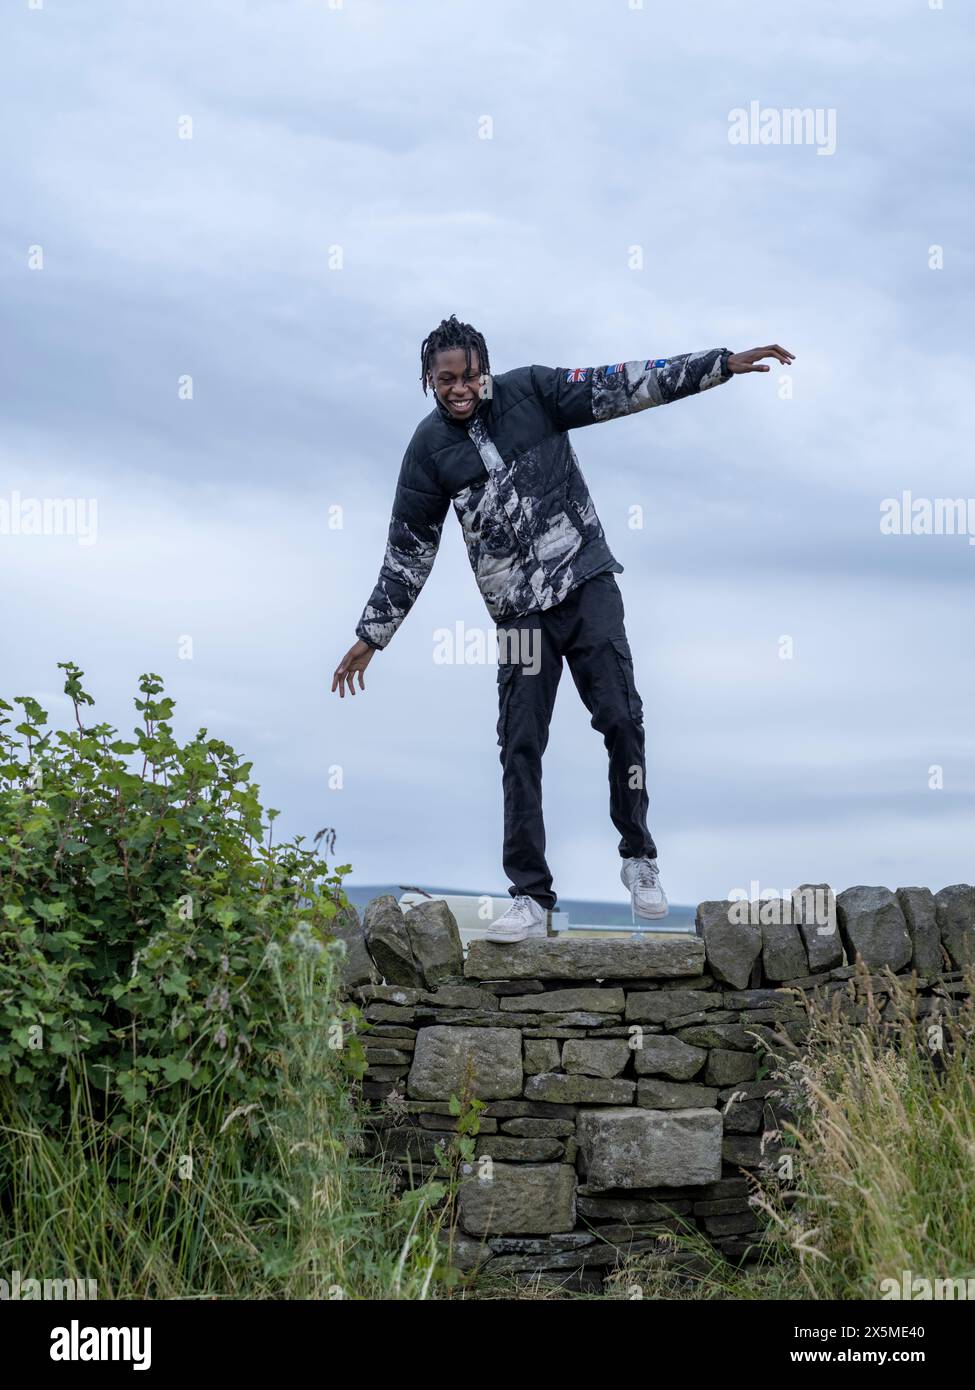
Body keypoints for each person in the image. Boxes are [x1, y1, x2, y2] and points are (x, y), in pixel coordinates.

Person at [332, 316, 794, 942]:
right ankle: (531, 896)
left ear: (485, 369)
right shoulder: (428, 451)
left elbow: (623, 385)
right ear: (428, 381)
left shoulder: (535, 392)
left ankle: (638, 856)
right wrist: (371, 635)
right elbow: (407, 553)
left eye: (469, 375)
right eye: (446, 380)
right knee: (520, 745)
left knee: (622, 719)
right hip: (521, 616)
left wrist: (718, 365)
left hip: (586, 583)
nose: (460, 388)